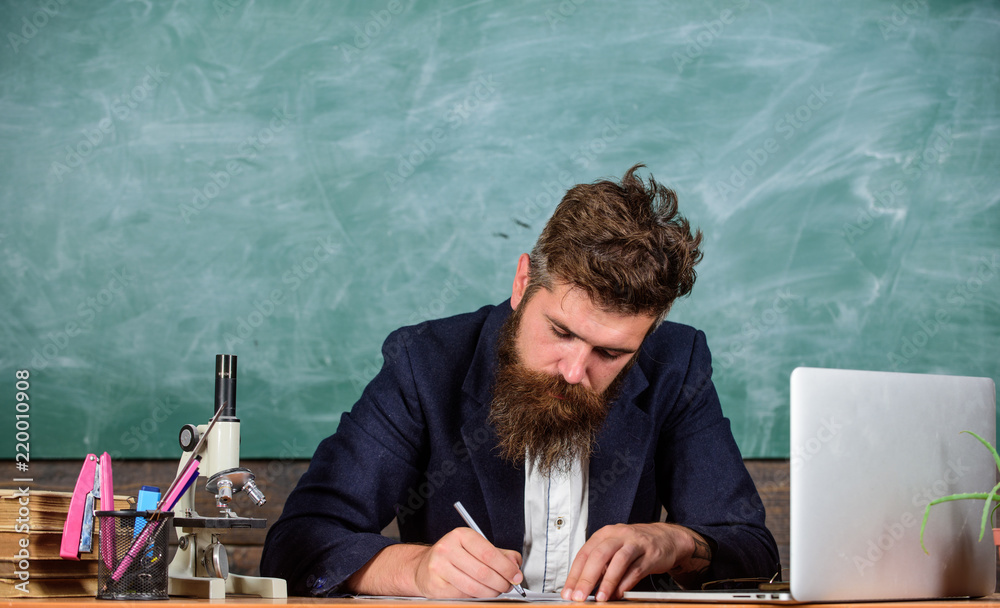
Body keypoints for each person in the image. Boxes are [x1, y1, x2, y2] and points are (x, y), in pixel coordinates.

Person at [260, 164, 780, 600]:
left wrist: (676, 544)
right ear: (523, 282)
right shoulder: (426, 362)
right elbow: (297, 545)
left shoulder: (677, 362)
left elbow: (752, 552)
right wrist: (414, 569)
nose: (576, 371)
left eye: (612, 353)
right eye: (560, 332)